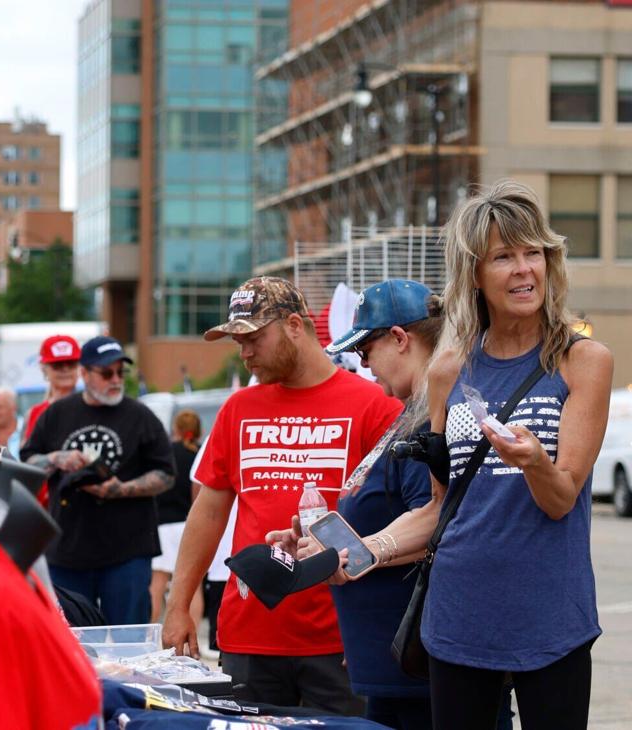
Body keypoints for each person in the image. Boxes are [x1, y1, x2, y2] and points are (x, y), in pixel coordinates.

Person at [345, 181, 610, 730]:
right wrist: (356, 551)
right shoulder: (447, 371)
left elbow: (561, 499)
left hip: (551, 617)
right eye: (504, 257)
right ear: (475, 274)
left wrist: (535, 462)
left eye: (532, 252)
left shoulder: (583, 361)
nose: (523, 270)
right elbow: (439, 508)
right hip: (458, 616)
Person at [161, 276, 402, 715]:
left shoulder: (374, 406)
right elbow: (209, 512)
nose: (245, 352)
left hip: (340, 638)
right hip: (250, 636)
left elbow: (402, 519)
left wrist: (372, 628)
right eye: (238, 341)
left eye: (254, 337)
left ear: (295, 325)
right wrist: (179, 605)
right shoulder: (238, 408)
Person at [267, 279, 443, 729]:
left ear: (400, 339)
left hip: (417, 670)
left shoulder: (430, 420)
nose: (365, 367)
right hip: (387, 661)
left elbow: (437, 526)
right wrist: (321, 540)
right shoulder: (408, 412)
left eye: (366, 352)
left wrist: (358, 553)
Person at [22, 336, 175, 624]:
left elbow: (166, 474)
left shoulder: (140, 416)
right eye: (107, 373)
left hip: (128, 551)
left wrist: (119, 489)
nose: (116, 380)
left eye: (120, 372)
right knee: (72, 643)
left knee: (129, 644)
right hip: (69, 550)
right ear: (85, 373)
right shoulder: (56, 414)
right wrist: (57, 459)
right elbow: (27, 461)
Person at [149, 410, 204, 625]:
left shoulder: (166, 453)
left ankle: (150, 634)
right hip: (189, 524)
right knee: (193, 585)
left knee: (157, 583)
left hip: (163, 525)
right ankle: (193, 639)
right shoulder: (199, 455)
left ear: (176, 429)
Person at [22, 334, 81, 442]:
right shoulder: (34, 414)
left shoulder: (93, 407)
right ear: (44, 369)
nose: (65, 369)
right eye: (57, 365)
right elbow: (25, 455)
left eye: (71, 363)